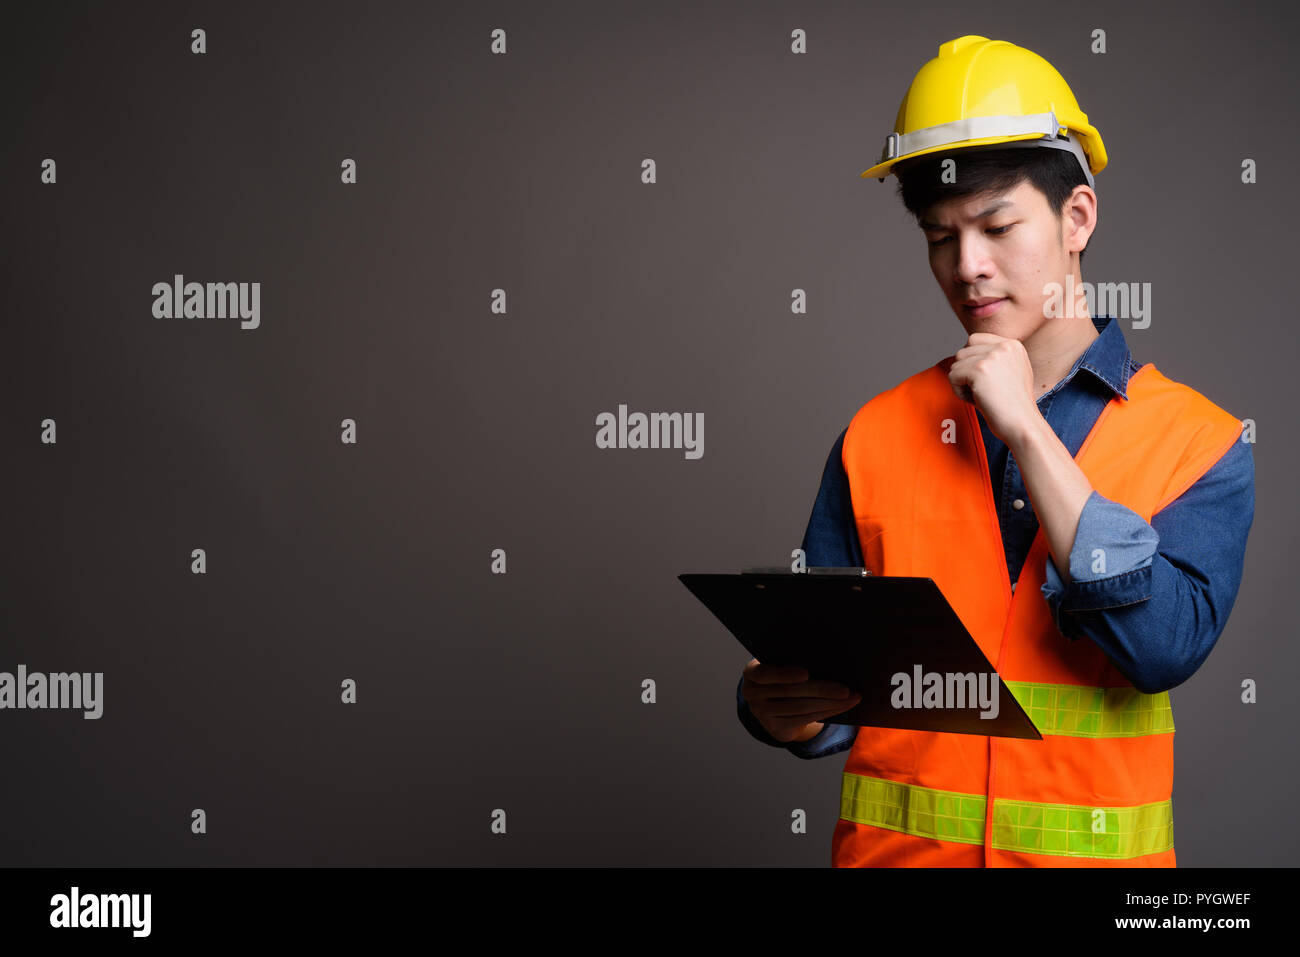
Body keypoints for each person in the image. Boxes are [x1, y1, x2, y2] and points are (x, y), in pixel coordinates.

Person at [736, 35, 1254, 867]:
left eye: (997, 225)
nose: (967, 267)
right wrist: (788, 710)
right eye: (941, 237)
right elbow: (833, 680)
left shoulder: (1201, 443)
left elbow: (1162, 647)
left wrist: (1026, 428)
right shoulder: (875, 432)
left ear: (1076, 217)